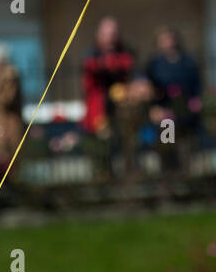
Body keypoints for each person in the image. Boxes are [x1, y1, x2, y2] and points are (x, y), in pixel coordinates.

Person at [81, 17, 138, 175]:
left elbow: (128, 68)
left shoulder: (125, 51)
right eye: (107, 33)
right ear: (99, 34)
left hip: (122, 111)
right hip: (99, 111)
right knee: (101, 152)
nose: (111, 37)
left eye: (114, 33)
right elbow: (92, 72)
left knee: (126, 149)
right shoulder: (91, 53)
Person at [144, 27, 204, 172]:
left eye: (170, 39)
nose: (168, 43)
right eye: (164, 40)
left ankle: (186, 181)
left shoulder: (187, 62)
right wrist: (154, 108)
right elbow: (149, 87)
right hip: (166, 117)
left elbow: (196, 85)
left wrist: (196, 100)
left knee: (186, 150)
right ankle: (169, 182)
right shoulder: (155, 64)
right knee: (167, 150)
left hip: (185, 114)